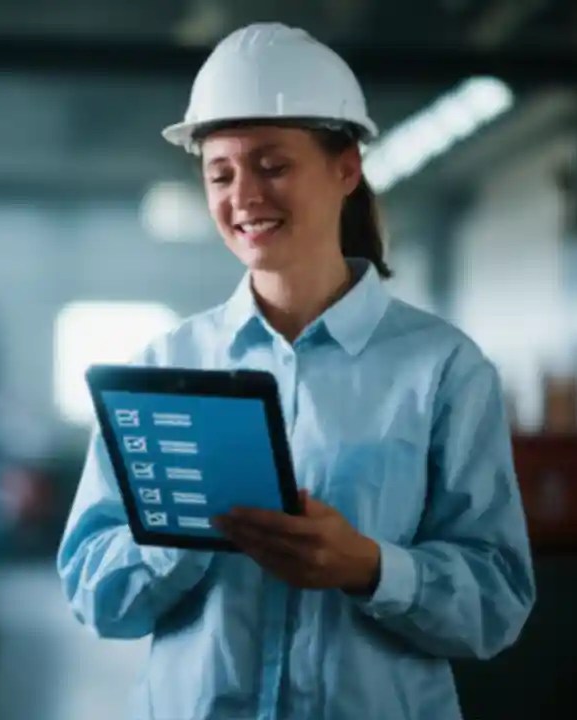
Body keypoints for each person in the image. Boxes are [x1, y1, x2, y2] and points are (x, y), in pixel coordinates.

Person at [57, 22, 535, 720]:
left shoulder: (442, 369)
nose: (244, 196)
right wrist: (184, 537)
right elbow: (95, 595)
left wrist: (369, 567)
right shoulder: (163, 368)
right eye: (220, 172)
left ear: (347, 168)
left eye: (273, 165)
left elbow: (497, 603)